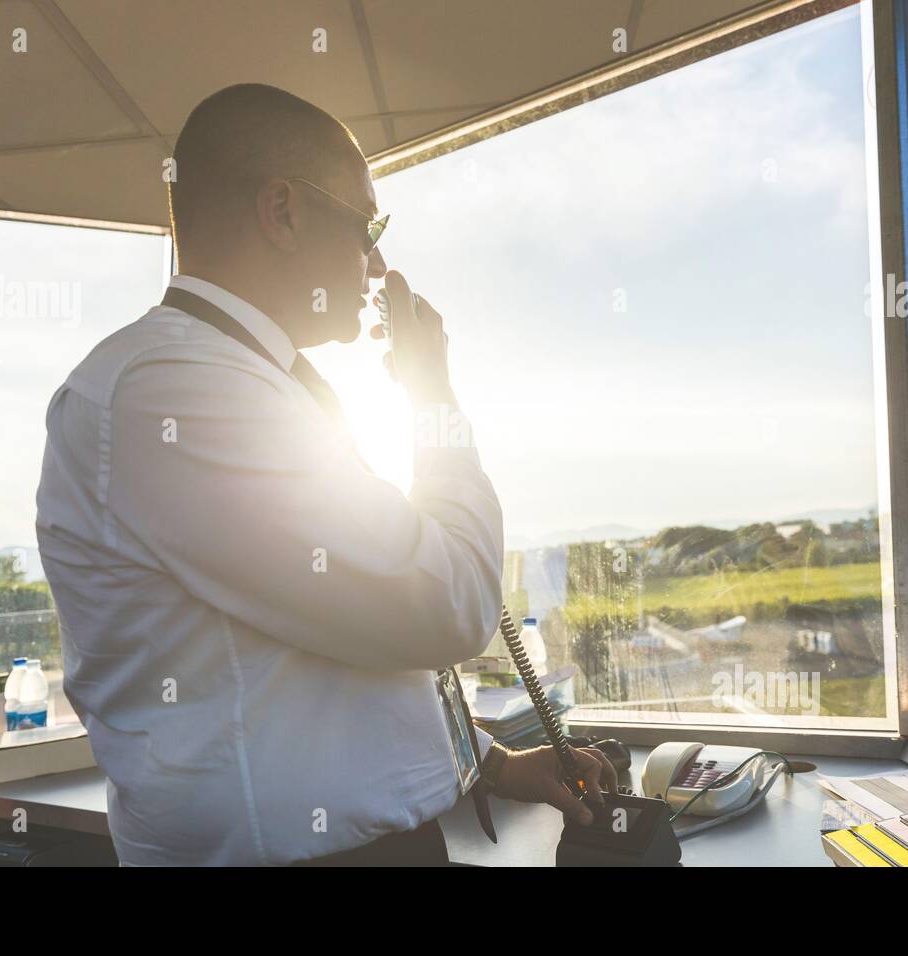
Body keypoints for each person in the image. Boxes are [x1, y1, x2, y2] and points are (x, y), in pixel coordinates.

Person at [35, 83, 614, 865]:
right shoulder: (173, 390)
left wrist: (498, 763)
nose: (377, 262)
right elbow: (447, 600)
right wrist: (432, 396)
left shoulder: (252, 384)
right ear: (284, 212)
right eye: (368, 226)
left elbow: (323, 651)